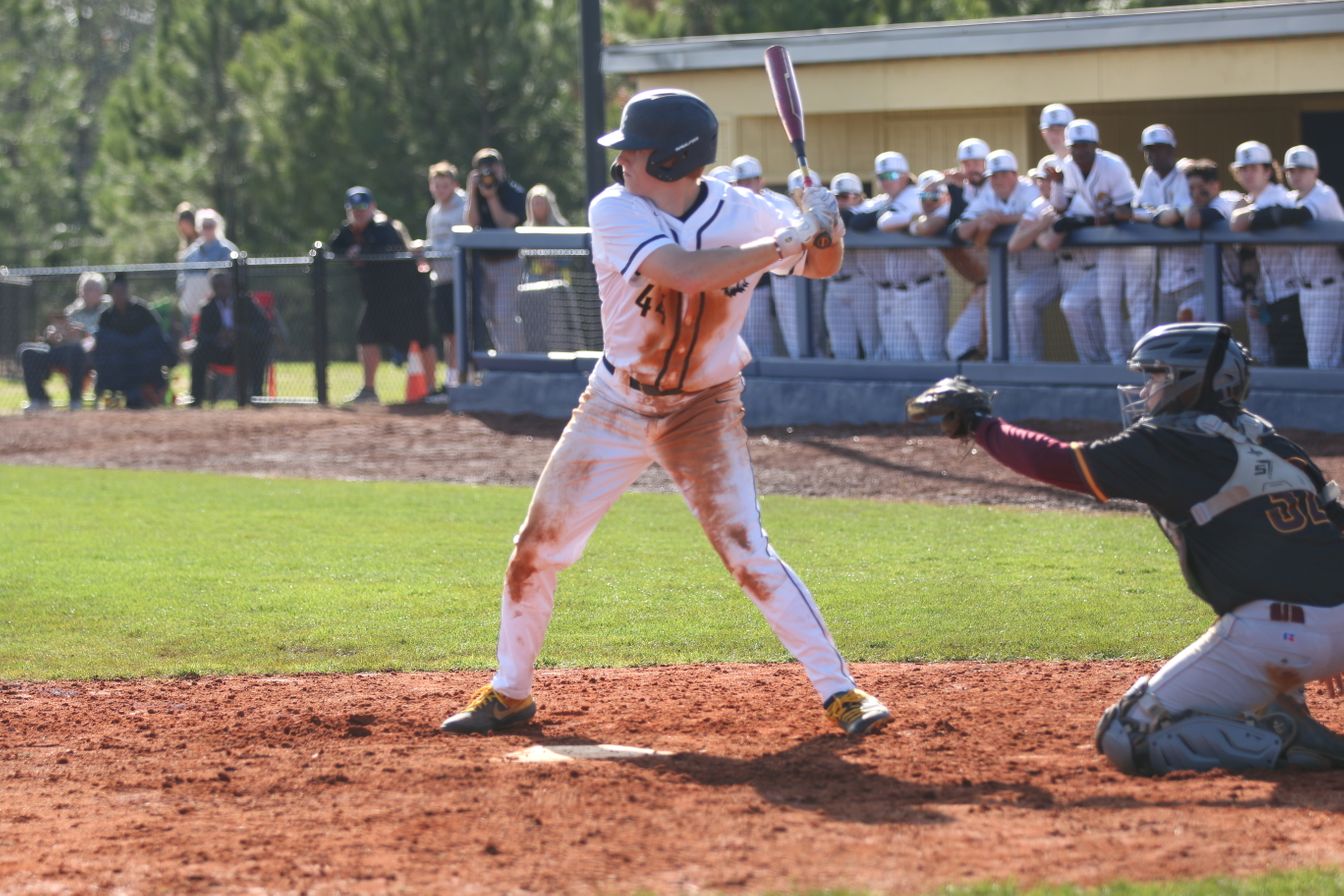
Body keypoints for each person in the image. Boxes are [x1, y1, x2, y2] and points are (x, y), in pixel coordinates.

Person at [438, 87, 891, 738]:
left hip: (704, 409)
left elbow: (821, 267)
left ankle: (841, 691)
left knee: (747, 553)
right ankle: (510, 692)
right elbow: (678, 271)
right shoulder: (614, 210)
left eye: (635, 153)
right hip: (615, 403)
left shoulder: (750, 213)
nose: (622, 162)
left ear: (676, 161)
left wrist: (826, 228)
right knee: (535, 550)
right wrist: (785, 239)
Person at [908, 322, 1344, 775]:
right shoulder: (1275, 443)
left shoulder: (1171, 443)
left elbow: (1059, 461)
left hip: (1276, 637)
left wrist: (981, 424)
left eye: (1156, 376)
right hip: (1330, 626)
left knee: (1127, 734)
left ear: (1189, 382)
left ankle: (1285, 743)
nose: (1146, 389)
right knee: (1261, 647)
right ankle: (1281, 712)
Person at [329, 185, 437, 404]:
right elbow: (334, 246)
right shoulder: (348, 230)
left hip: (406, 296)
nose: (358, 213)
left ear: (373, 207)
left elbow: (385, 248)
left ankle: (433, 390)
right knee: (366, 336)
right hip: (377, 299)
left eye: (362, 208)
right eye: (353, 209)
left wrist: (361, 252)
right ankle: (369, 390)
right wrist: (350, 253)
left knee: (421, 339)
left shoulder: (383, 227)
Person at [1051, 119, 1139, 363]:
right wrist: (1057, 183)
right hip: (1109, 242)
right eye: (1076, 146)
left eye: (1085, 146)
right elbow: (1060, 206)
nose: (1080, 151)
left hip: (1133, 240)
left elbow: (1125, 211)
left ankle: (1139, 360)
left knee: (1136, 302)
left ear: (1095, 145)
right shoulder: (1068, 166)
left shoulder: (1113, 165)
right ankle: (1116, 358)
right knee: (1108, 299)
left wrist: (1084, 222)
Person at [955, 150, 1043, 361]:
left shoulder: (1028, 189)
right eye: (993, 176)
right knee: (999, 326)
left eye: (1004, 174)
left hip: (1041, 266)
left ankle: (1029, 370)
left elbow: (1041, 214)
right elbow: (959, 231)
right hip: (1008, 268)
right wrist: (982, 221)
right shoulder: (988, 194)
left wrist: (1000, 220)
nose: (998, 180)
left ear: (1015, 174)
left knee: (1023, 323)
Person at [1229, 141, 1305, 367]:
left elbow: (1237, 223)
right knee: (1263, 356)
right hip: (1268, 292)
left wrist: (1239, 210)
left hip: (1293, 291)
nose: (1248, 173)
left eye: (1254, 168)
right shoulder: (1250, 200)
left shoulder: (1278, 196)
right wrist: (1253, 294)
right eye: (1243, 169)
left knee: (1290, 358)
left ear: (1268, 171)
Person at [876, 167, 948, 361]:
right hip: (899, 292)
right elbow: (884, 222)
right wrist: (913, 218)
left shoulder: (942, 210)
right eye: (924, 194)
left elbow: (931, 221)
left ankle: (940, 393)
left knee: (932, 355)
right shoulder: (903, 205)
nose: (928, 199)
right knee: (903, 357)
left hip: (925, 287)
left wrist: (915, 220)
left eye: (933, 194)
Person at [1283, 145, 1344, 369]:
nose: (1296, 175)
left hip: (1329, 287)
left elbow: (1301, 215)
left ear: (1315, 171)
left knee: (1322, 362)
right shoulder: (1291, 197)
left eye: (1302, 170)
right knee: (1319, 360)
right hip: (1305, 290)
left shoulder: (1324, 194)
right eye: (1291, 170)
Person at [731, 154, 797, 358]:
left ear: (761, 181)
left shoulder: (779, 203)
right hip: (749, 281)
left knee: (794, 335)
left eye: (749, 181)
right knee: (750, 340)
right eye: (740, 182)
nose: (745, 186)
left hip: (784, 278)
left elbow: (796, 234)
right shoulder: (728, 205)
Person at [1176, 158, 1252, 332]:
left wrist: (1192, 202)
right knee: (1188, 313)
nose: (1196, 193)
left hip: (1244, 287)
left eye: (1200, 187)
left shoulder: (1224, 202)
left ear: (1215, 185)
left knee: (1261, 344)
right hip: (1223, 288)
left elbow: (1193, 220)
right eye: (1191, 188)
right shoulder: (1207, 203)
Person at [17, 271, 110, 411]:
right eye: (86, 288)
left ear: (102, 291)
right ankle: (40, 400)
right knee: (27, 351)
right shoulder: (72, 311)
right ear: (80, 291)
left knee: (76, 350)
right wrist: (53, 335)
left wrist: (83, 333)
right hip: (64, 351)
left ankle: (75, 400)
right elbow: (59, 335)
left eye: (94, 288)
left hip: (92, 355)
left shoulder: (108, 311)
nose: (90, 292)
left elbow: (104, 336)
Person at [465, 147, 528, 353]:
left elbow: (506, 223)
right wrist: (473, 193)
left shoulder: (514, 192)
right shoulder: (477, 192)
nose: (489, 172)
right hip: (484, 262)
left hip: (508, 262)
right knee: (490, 314)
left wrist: (492, 197)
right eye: (484, 168)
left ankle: (516, 360)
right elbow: (471, 223)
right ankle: (503, 356)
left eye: (493, 167)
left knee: (504, 312)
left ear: (501, 168)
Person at [1004, 155, 1063, 361]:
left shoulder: (1070, 199)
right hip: (1060, 268)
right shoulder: (1038, 205)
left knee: (1080, 308)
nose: (1044, 184)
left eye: (1050, 179)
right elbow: (1014, 244)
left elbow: (1048, 243)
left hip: (1087, 268)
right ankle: (1029, 361)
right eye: (1041, 179)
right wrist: (1040, 226)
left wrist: (1033, 231)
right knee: (1022, 300)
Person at [187, 271, 272, 406]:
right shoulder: (207, 308)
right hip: (219, 351)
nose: (220, 289)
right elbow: (202, 335)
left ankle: (256, 397)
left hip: (243, 350)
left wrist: (237, 333)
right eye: (216, 286)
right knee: (198, 353)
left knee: (256, 351)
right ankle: (196, 400)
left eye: (223, 285)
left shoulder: (246, 303)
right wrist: (218, 337)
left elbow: (262, 327)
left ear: (231, 286)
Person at [94, 273, 174, 409]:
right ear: (111, 294)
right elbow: (102, 339)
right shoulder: (106, 316)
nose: (119, 295)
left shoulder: (142, 310)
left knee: (147, 359)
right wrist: (125, 343)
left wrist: (132, 343)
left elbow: (156, 335)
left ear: (128, 292)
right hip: (118, 362)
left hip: (140, 359)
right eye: (116, 292)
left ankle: (141, 396)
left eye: (122, 292)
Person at [824, 172, 881, 360]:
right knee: (841, 346)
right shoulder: (827, 216)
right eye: (836, 197)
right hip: (834, 285)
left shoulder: (868, 209)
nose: (840, 202)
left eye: (845, 197)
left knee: (872, 343)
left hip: (862, 283)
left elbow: (857, 217)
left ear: (859, 197)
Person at [424, 161, 467, 390]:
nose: (441, 190)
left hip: (461, 279)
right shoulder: (434, 212)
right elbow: (432, 242)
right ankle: (451, 377)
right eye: (437, 185)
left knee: (462, 331)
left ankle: (462, 376)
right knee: (448, 332)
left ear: (454, 185)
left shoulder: (464, 206)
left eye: (445, 185)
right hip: (440, 278)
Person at [177, 209, 239, 322]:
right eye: (204, 225)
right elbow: (182, 280)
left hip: (219, 301)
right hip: (193, 303)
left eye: (211, 225)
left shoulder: (228, 250)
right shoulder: (191, 254)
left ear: (217, 226)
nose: (207, 229)